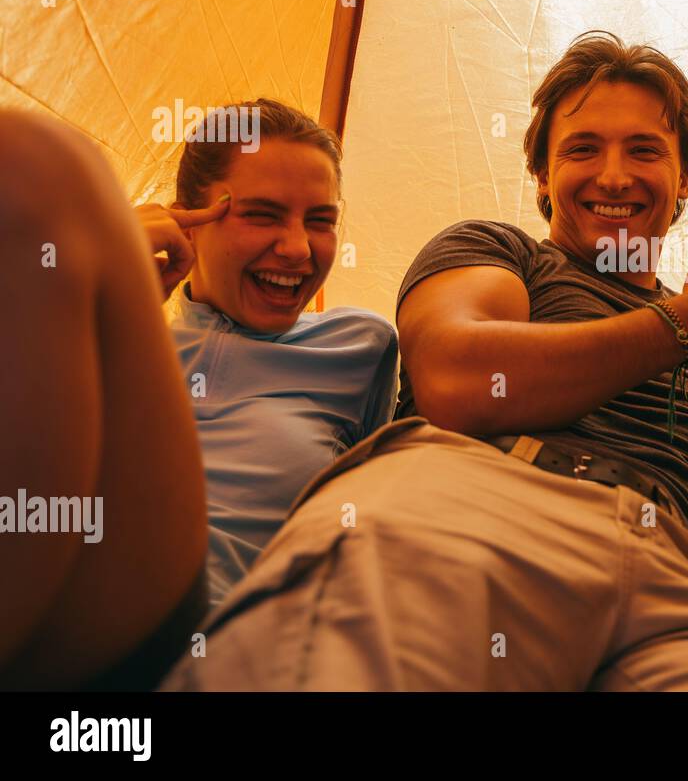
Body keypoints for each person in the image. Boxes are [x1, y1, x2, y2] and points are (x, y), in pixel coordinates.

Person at [162, 33, 688, 691]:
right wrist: (682, 325)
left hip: (666, 562)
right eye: (580, 150)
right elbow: (458, 381)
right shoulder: (500, 253)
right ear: (540, 176)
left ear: (686, 177)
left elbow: (641, 482)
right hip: (476, 514)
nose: (614, 174)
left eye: (644, 150)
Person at [0, 99, 397, 689]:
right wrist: (120, 277)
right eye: (262, 215)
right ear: (188, 218)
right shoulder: (114, 341)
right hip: (43, 588)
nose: (297, 248)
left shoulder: (359, 347)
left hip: (185, 632)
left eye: (320, 220)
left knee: (32, 162)